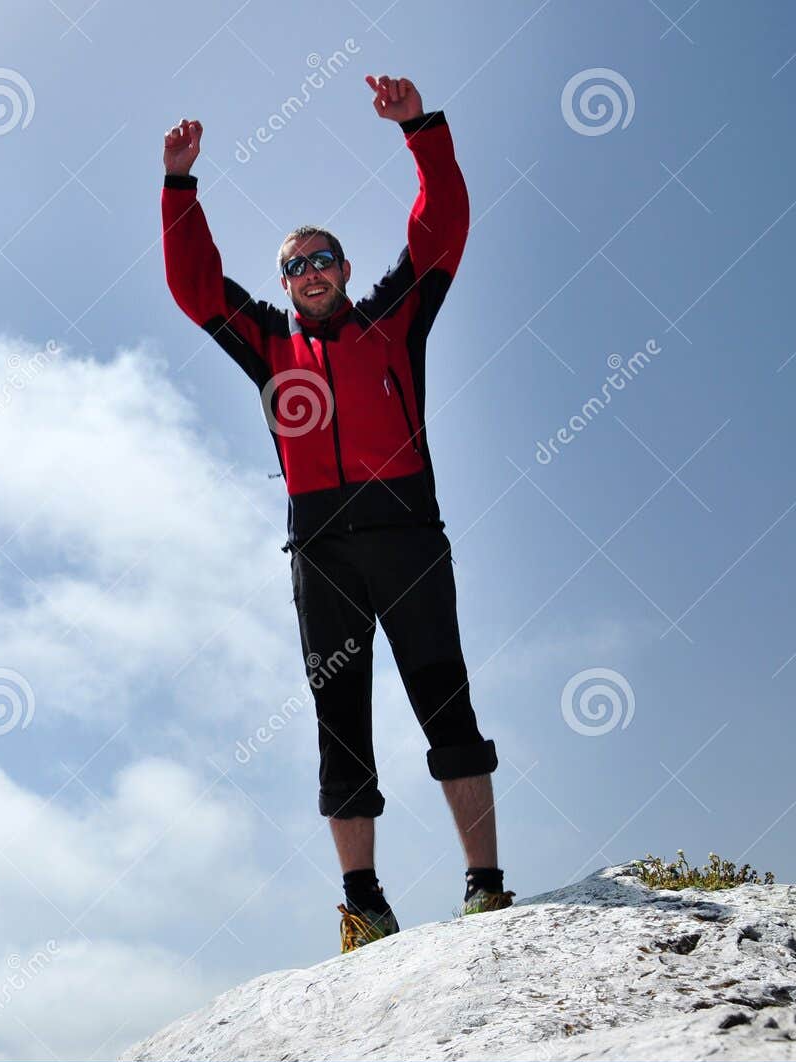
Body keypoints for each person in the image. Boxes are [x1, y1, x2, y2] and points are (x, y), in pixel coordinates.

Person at [161, 74, 514, 953]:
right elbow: (195, 286)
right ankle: (364, 904)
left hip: (408, 537)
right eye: (295, 265)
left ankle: (485, 885)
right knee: (340, 725)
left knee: (446, 703)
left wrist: (420, 129)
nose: (311, 272)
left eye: (323, 258)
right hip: (321, 553)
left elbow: (443, 228)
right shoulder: (266, 341)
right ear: (284, 284)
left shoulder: (394, 317)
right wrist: (179, 185)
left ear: (346, 270)